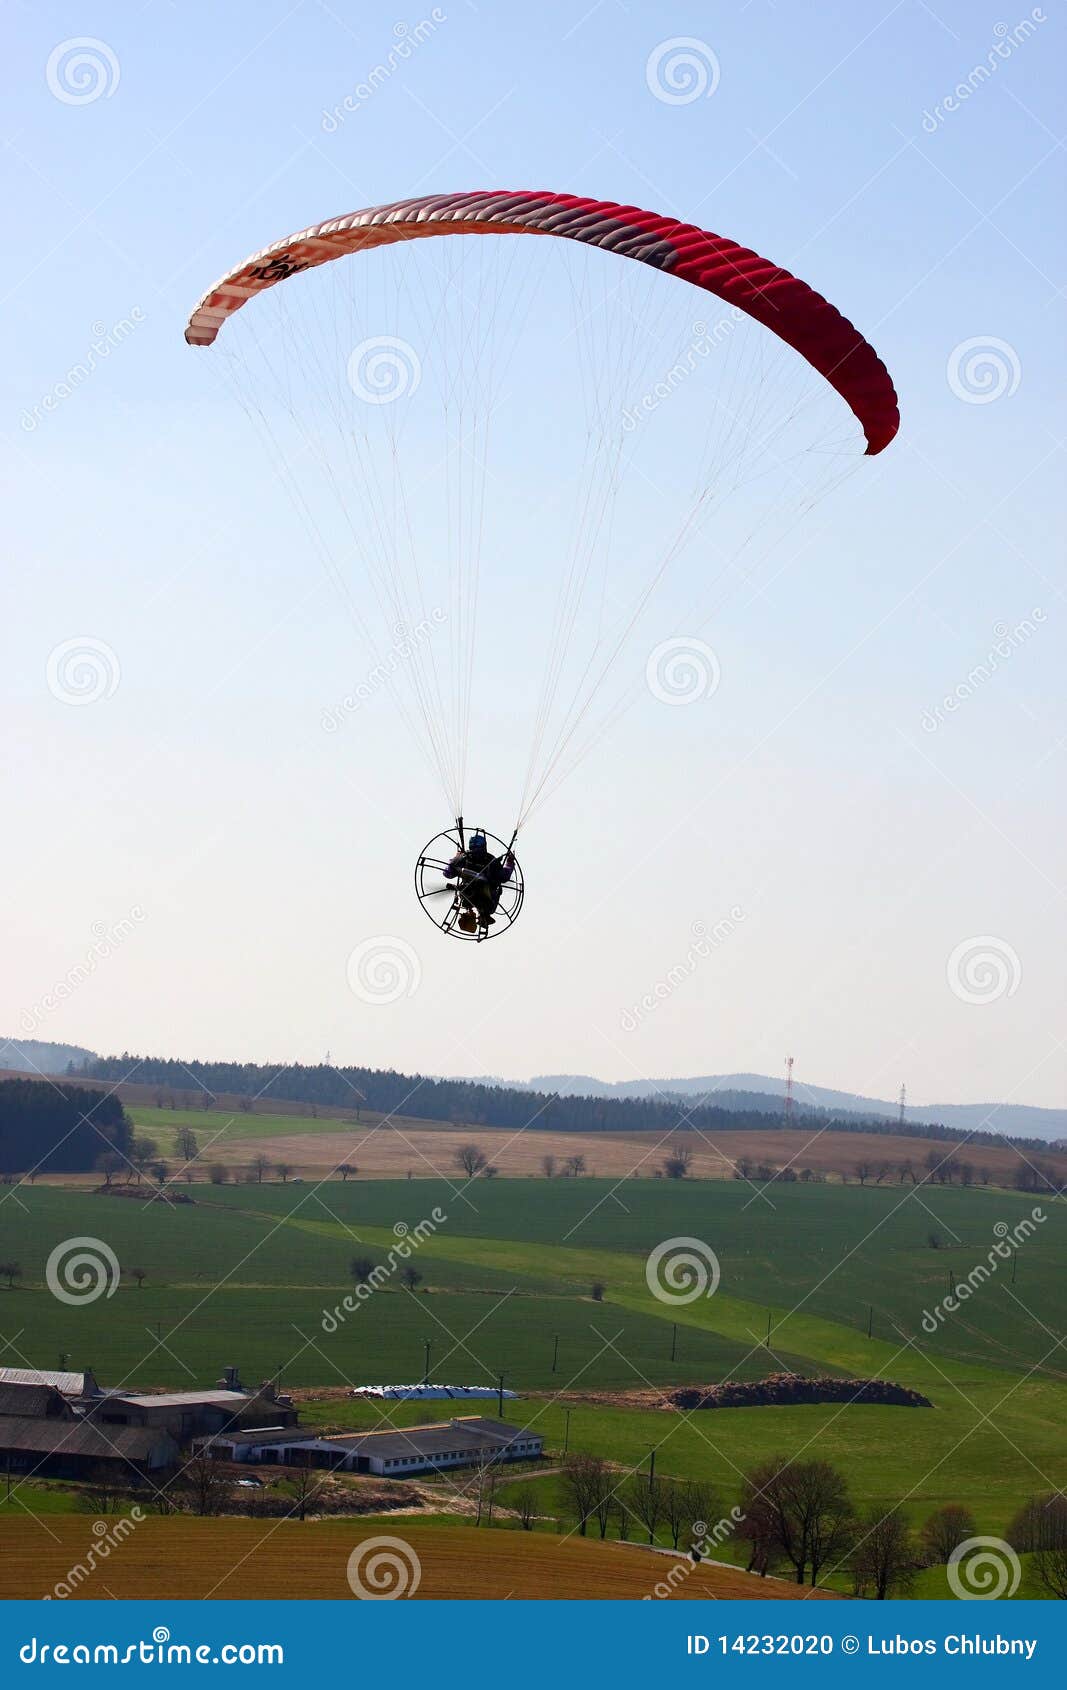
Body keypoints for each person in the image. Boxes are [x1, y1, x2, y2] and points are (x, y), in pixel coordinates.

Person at [443, 832, 515, 932]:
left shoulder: (465, 857)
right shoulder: (491, 861)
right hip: (481, 896)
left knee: (478, 902)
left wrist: (456, 858)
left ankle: (481, 913)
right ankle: (482, 914)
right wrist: (510, 862)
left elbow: (447, 873)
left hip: (474, 894)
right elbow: (504, 876)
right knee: (488, 907)